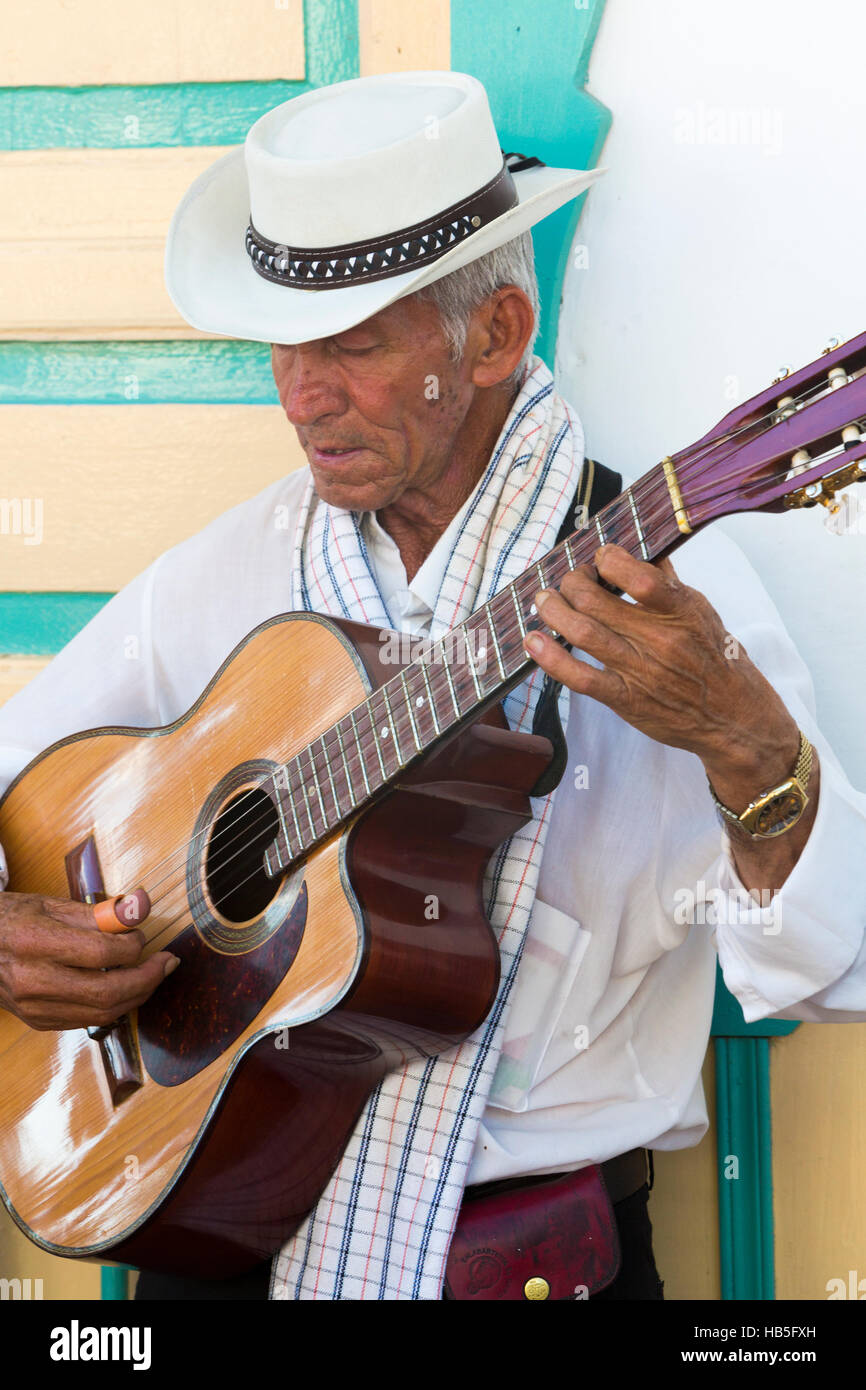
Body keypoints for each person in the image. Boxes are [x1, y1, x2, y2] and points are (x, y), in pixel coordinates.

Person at [0, 71, 864, 1302]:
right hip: (213, 1242)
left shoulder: (673, 596)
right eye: (284, 345)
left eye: (351, 345)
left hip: (527, 1269)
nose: (300, 396)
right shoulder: (235, 567)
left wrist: (748, 751)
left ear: (496, 335)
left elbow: (830, 965)